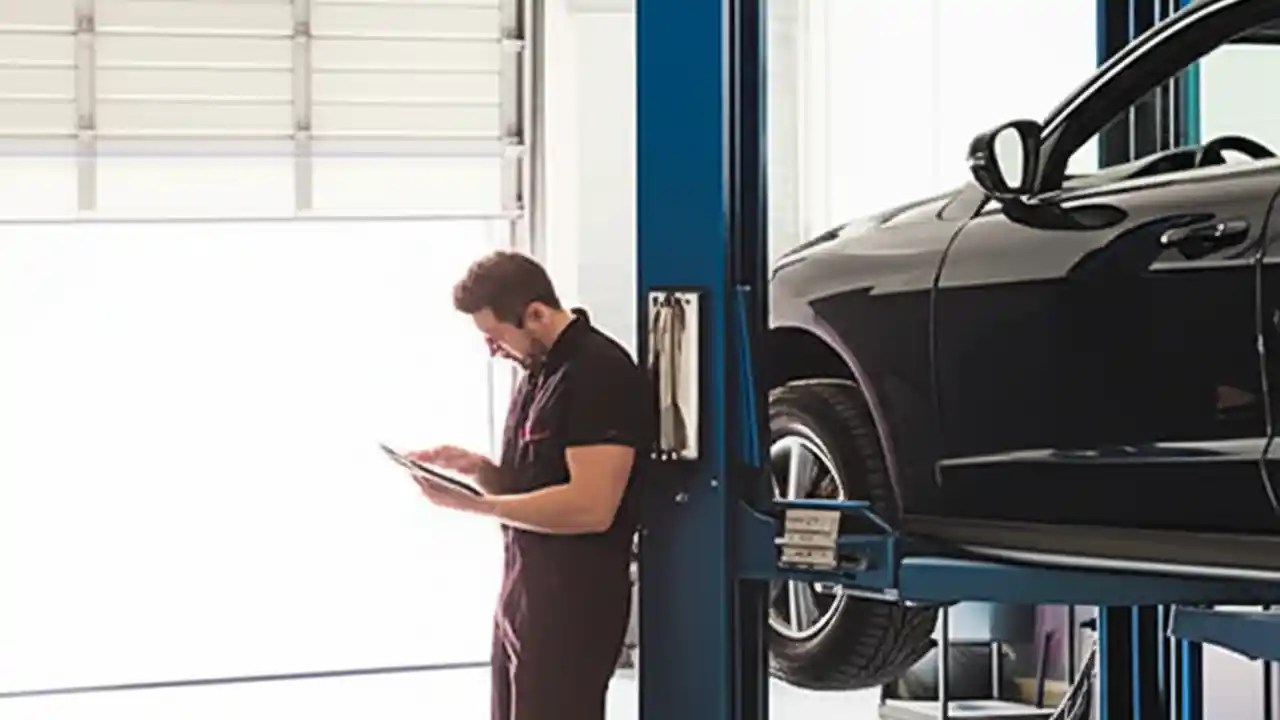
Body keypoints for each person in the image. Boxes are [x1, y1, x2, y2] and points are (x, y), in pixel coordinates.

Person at [405, 250, 651, 720]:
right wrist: (477, 469)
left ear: (535, 314)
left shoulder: (599, 374)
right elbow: (528, 487)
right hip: (524, 594)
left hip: (572, 607)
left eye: (495, 336)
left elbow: (591, 506)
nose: (493, 349)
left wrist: (477, 506)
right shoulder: (538, 375)